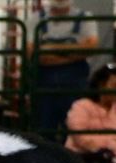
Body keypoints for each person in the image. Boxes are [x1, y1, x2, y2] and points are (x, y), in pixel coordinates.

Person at [32, 0, 98, 134]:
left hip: (73, 87)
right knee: (44, 132)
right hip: (46, 88)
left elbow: (90, 48)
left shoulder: (86, 18)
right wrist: (74, 53)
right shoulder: (36, 19)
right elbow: (34, 55)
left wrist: (50, 48)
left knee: (75, 130)